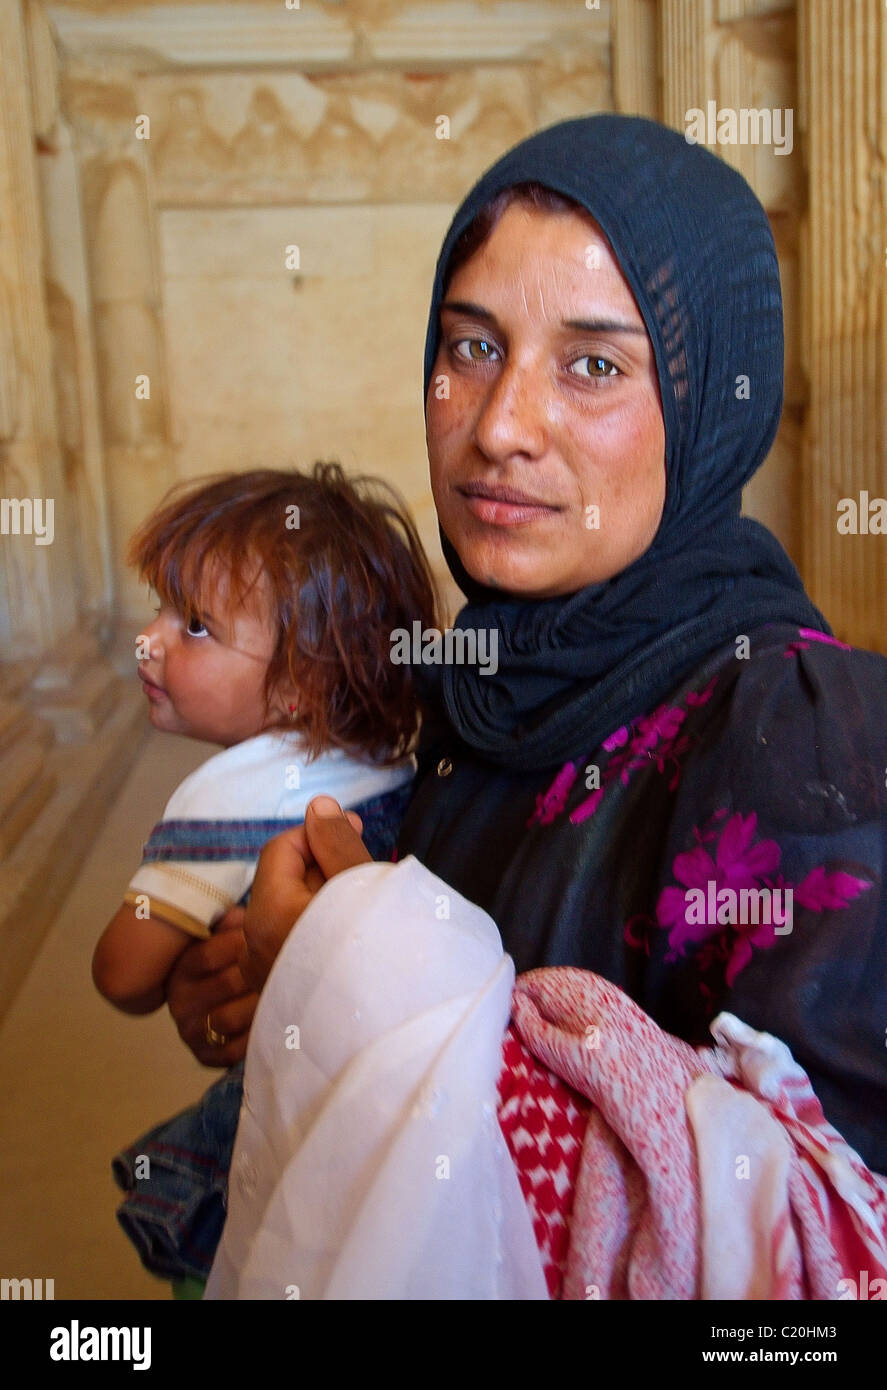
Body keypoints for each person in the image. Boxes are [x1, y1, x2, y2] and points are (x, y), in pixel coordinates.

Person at [166, 114, 887, 1265]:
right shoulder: (485, 687)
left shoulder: (804, 742)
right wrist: (287, 991)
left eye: (593, 364)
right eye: (470, 347)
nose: (499, 427)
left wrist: (365, 981)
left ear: (711, 410)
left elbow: (817, 1252)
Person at [92, 462, 439, 1287]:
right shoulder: (377, 762)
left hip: (262, 1161)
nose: (152, 638)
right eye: (162, 608)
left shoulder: (227, 799)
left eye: (196, 627)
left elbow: (122, 974)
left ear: (295, 686)